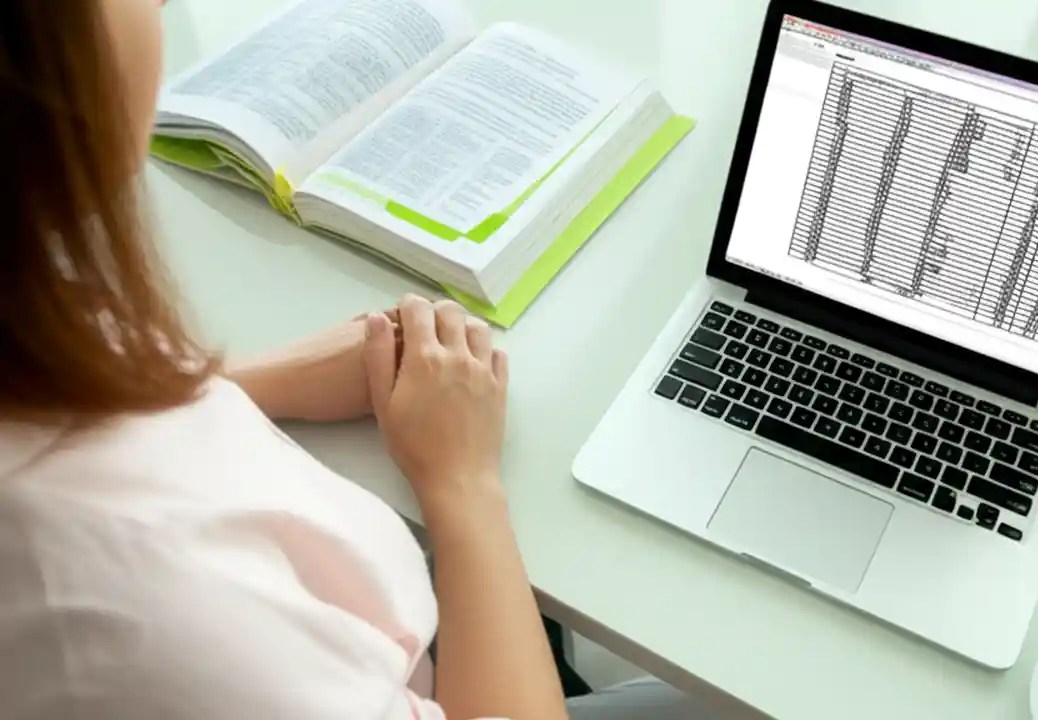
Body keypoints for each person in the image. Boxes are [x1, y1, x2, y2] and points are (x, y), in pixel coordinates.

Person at [0, 1, 715, 718]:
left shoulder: (29, 292)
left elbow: (67, 430)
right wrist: (462, 484)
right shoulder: (160, 612)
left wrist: (247, 386)